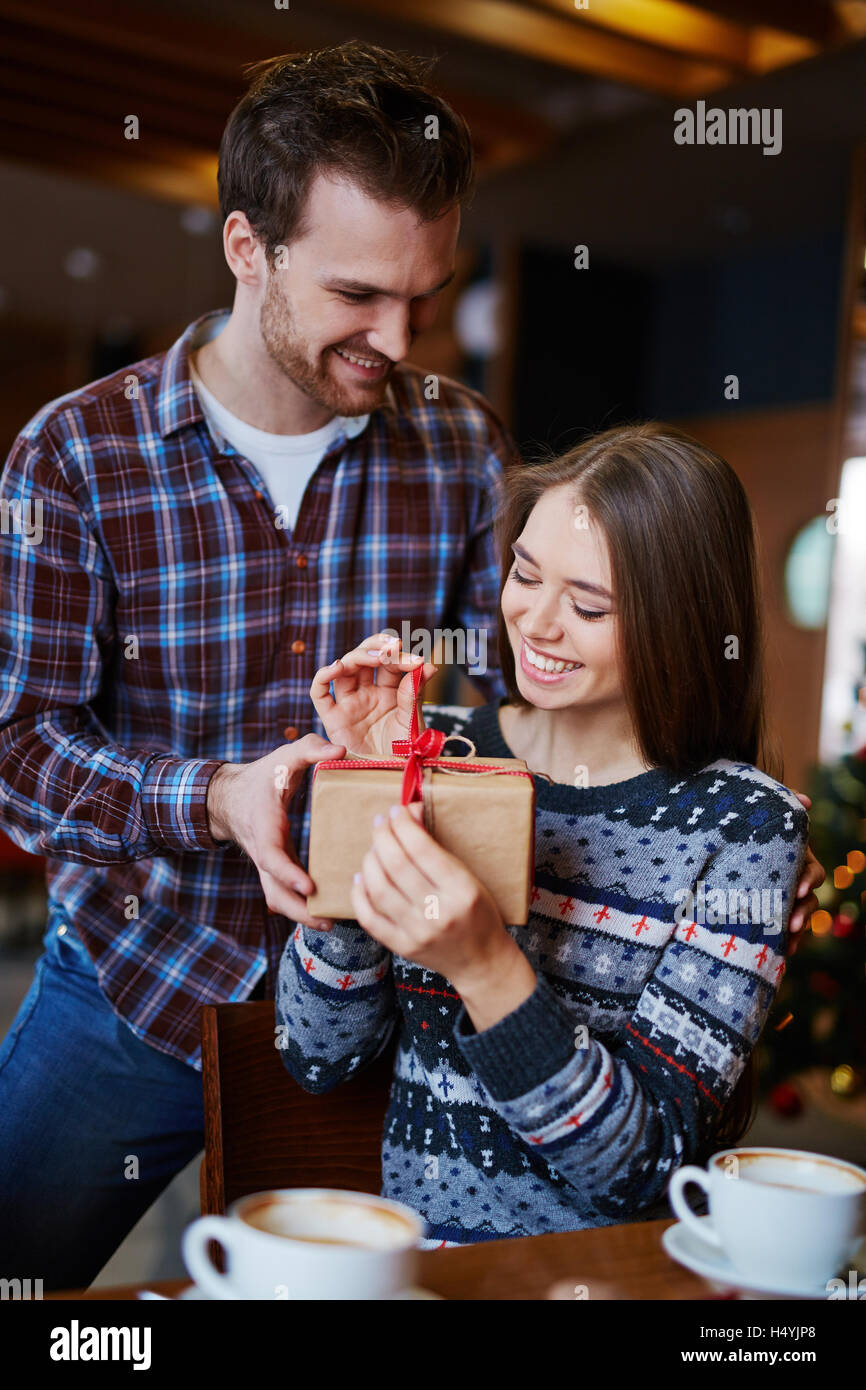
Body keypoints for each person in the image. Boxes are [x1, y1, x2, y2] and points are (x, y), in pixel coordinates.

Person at [0, 42, 517, 1289]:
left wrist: (439, 695)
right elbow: (17, 749)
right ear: (248, 247)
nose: (395, 339)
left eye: (423, 296)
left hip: (379, 1007)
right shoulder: (75, 457)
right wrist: (215, 796)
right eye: (356, 296)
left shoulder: (460, 447)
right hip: (136, 973)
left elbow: (499, 690)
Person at [277, 423, 815, 1247]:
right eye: (525, 575)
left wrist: (486, 967)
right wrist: (366, 799)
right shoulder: (440, 745)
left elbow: (642, 1171)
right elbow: (317, 1056)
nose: (537, 622)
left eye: (589, 604)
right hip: (420, 1268)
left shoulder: (743, 828)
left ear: (683, 619)